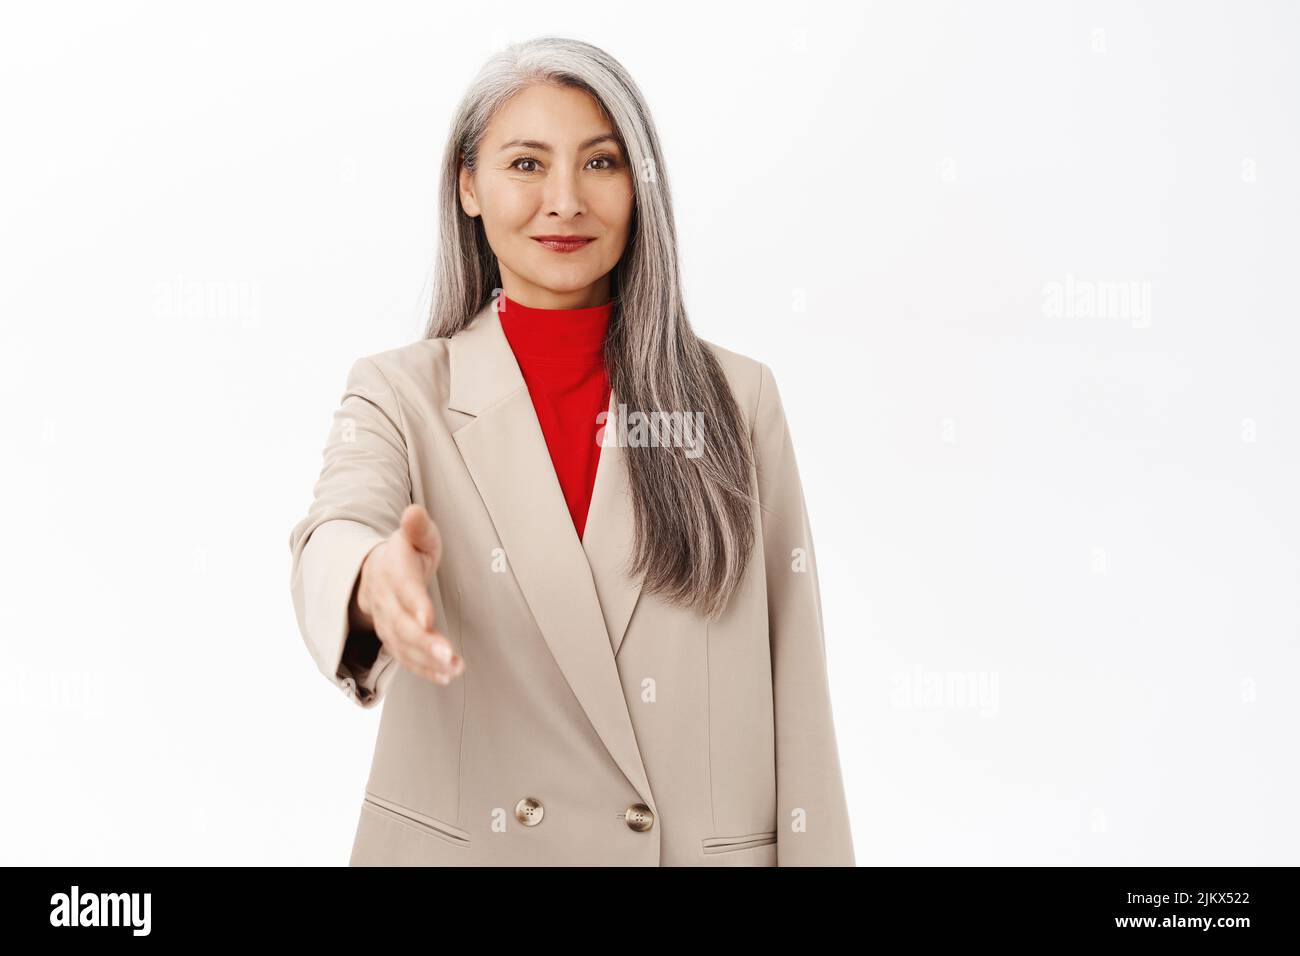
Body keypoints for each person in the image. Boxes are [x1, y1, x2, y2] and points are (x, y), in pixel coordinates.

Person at [288, 35, 854, 866]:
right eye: (525, 164)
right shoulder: (401, 393)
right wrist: (373, 579)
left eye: (601, 163)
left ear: (641, 188)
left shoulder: (739, 401)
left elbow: (796, 686)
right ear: (469, 187)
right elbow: (337, 525)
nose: (565, 201)